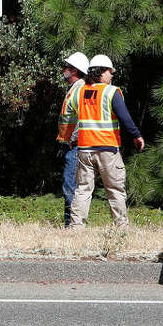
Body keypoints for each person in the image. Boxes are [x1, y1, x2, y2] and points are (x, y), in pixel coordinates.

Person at [69, 54, 144, 228]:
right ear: (101, 72)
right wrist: (136, 135)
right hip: (107, 148)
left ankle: (76, 226)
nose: (112, 75)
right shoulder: (111, 92)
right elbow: (125, 117)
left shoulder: (80, 92)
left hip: (85, 149)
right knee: (115, 189)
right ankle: (121, 226)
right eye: (110, 71)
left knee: (82, 189)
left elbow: (78, 118)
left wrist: (72, 137)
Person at [56, 51, 90, 227]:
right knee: (70, 184)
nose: (63, 69)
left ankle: (72, 224)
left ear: (75, 70)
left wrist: (73, 139)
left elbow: (83, 118)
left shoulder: (79, 89)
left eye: (66, 67)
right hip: (69, 145)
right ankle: (71, 223)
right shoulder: (74, 88)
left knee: (70, 185)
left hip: (75, 146)